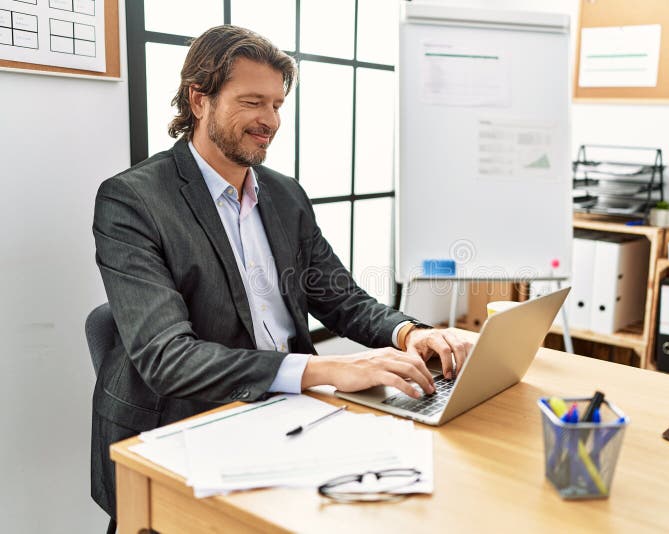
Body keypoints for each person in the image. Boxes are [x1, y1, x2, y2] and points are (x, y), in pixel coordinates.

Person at [91, 25, 477, 520]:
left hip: (288, 415)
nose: (269, 120)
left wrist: (410, 334)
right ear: (199, 99)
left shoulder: (284, 194)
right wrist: (324, 370)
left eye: (276, 104)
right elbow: (168, 358)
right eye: (252, 102)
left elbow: (341, 298)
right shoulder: (134, 200)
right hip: (187, 422)